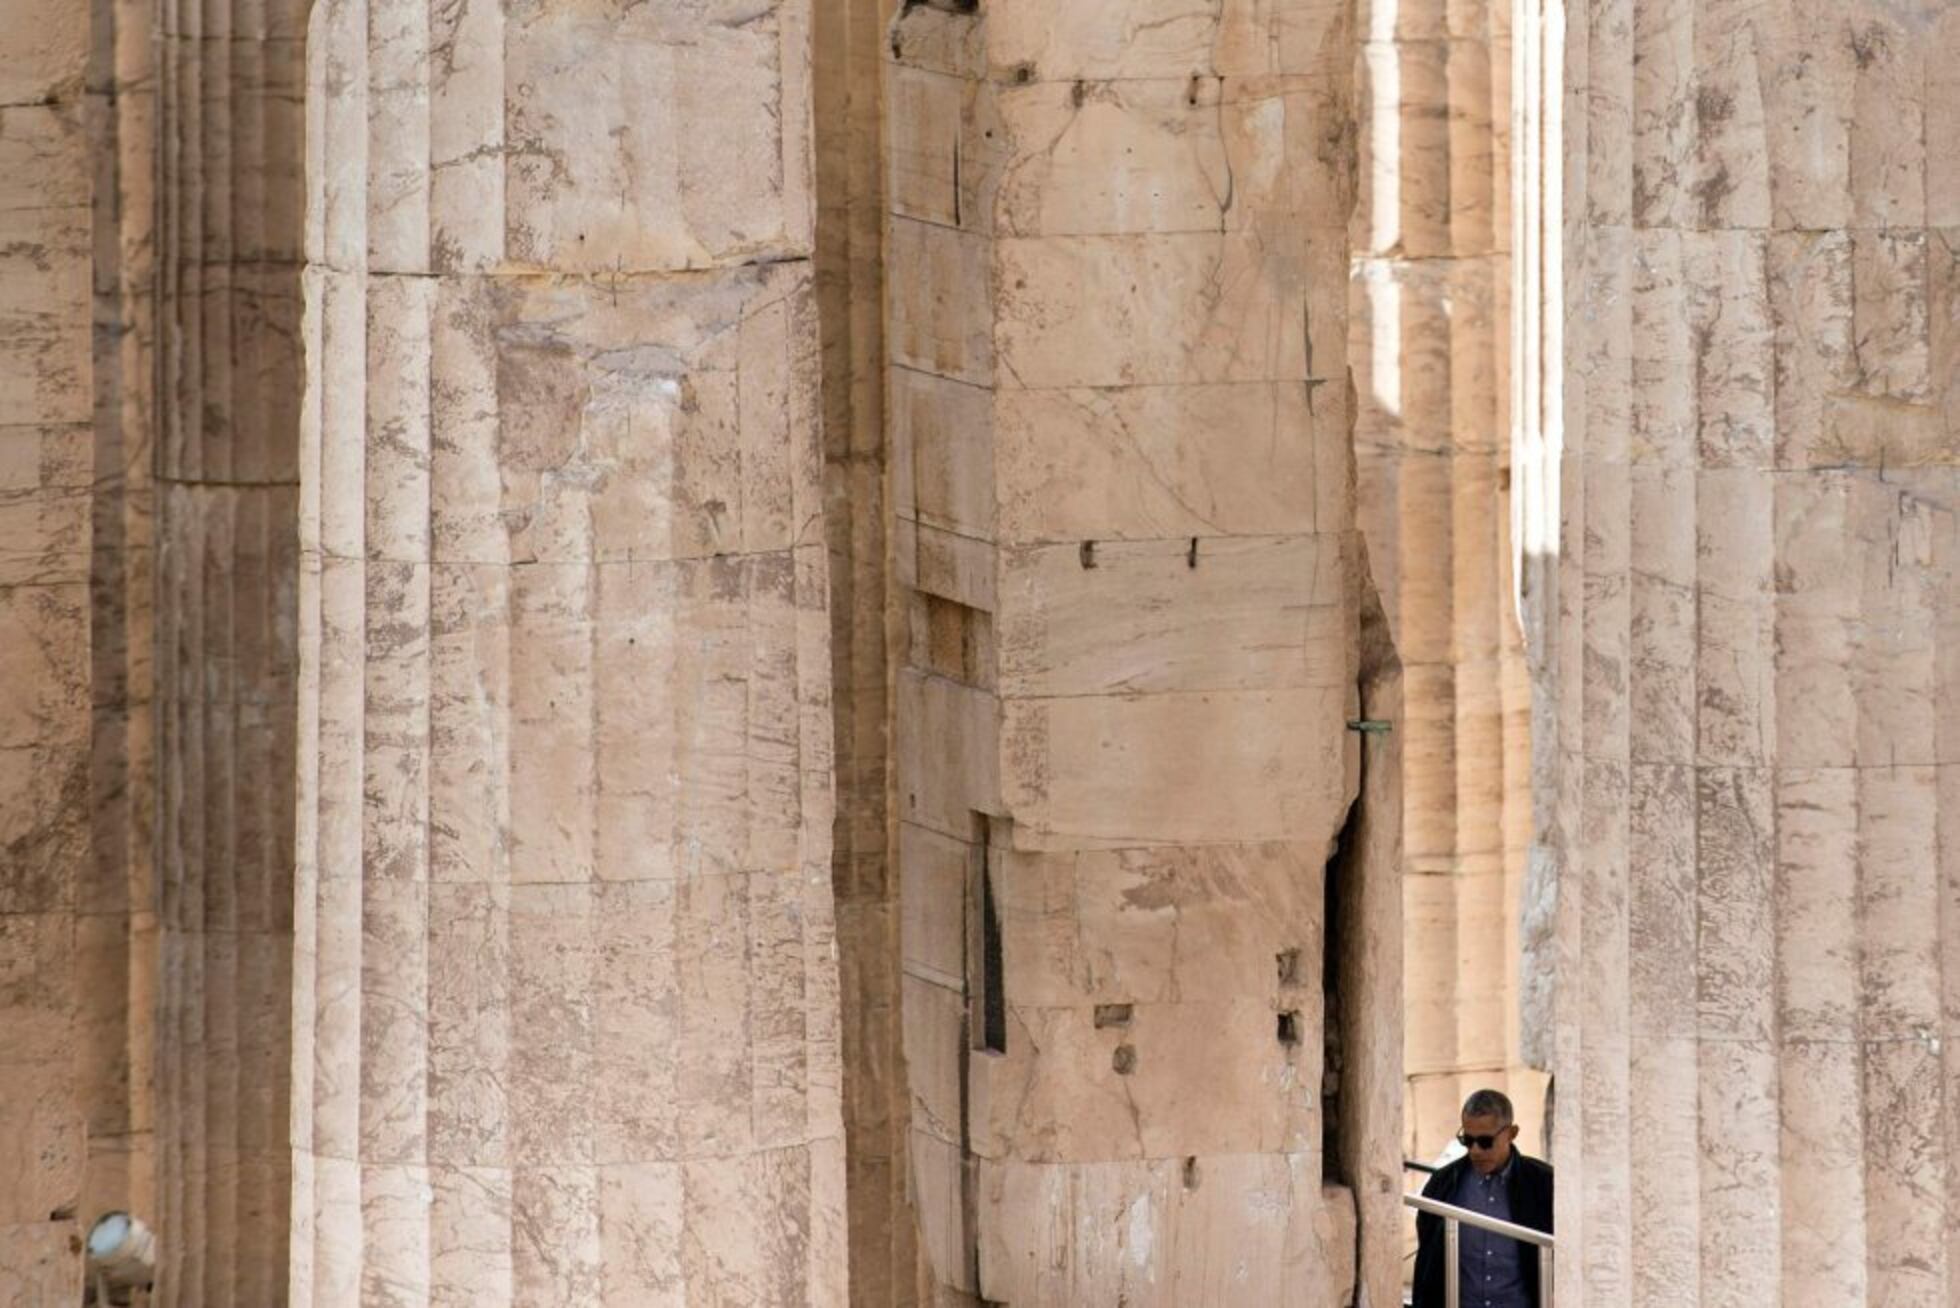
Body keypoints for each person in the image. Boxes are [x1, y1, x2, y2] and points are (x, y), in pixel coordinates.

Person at [1412, 1088, 1553, 1308]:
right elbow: (1426, 1264)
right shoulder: (1443, 1184)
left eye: (1485, 1142)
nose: (1475, 1150)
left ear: (1511, 1133)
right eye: (1467, 1140)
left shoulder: (1544, 1184)